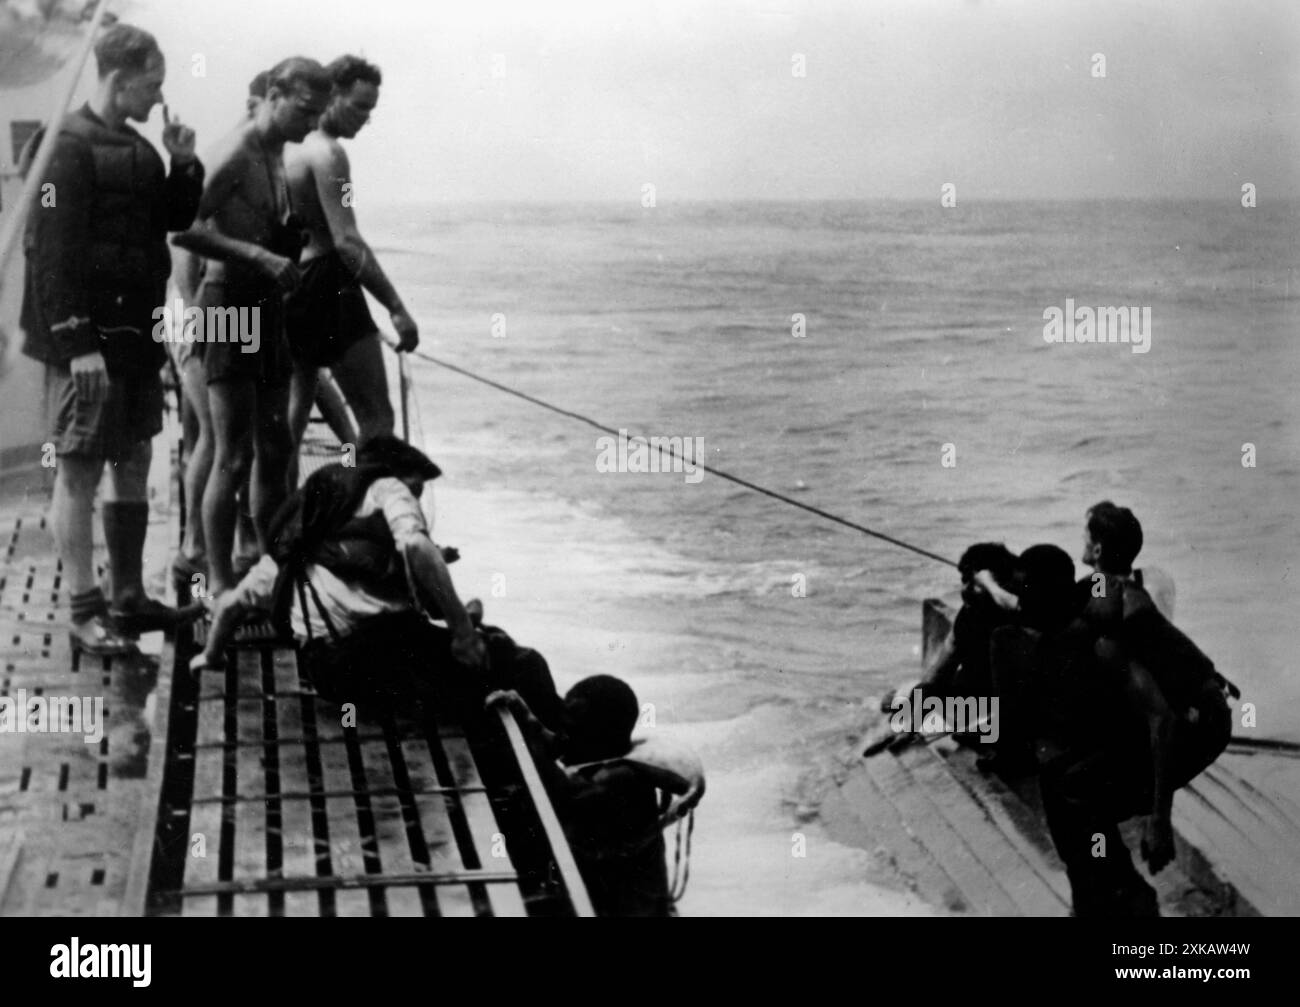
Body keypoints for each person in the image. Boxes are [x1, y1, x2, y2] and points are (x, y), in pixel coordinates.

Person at [20, 23, 204, 653]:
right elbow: (49, 253)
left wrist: (184, 163)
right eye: (152, 85)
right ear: (121, 78)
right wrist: (76, 344)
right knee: (76, 471)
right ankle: (82, 608)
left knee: (133, 462)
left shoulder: (141, 149)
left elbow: (172, 222)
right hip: (88, 347)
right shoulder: (64, 147)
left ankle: (127, 598)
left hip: (134, 340)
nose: (158, 98)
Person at [995, 543, 1228, 917]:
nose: (1020, 607)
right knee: (1061, 781)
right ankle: (1097, 890)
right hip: (1163, 717)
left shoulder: (1102, 635)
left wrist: (1159, 820)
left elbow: (1161, 720)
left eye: (1027, 597)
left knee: (1081, 796)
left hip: (1198, 722)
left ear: (1048, 597)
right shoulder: (1066, 607)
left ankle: (1127, 892)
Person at [172, 57, 332, 598]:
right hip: (228, 305)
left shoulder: (275, 151)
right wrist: (258, 256)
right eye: (306, 111)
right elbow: (182, 229)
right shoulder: (237, 151)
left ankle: (268, 564)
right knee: (233, 453)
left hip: (266, 308)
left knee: (280, 443)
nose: (311, 124)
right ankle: (218, 584)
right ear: (274, 94)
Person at [283, 54, 419, 474]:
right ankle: (375, 521)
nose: (365, 118)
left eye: (371, 110)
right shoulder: (329, 155)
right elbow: (346, 240)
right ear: (332, 95)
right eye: (359, 106)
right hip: (329, 287)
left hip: (292, 285)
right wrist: (395, 307)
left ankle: (279, 528)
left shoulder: (287, 148)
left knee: (291, 420)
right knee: (377, 420)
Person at [488, 676, 704, 917]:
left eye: (571, 723)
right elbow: (556, 745)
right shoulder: (593, 747)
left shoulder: (622, 779)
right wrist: (525, 716)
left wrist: (529, 744)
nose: (562, 727)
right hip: (603, 888)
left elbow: (562, 796)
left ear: (600, 733)